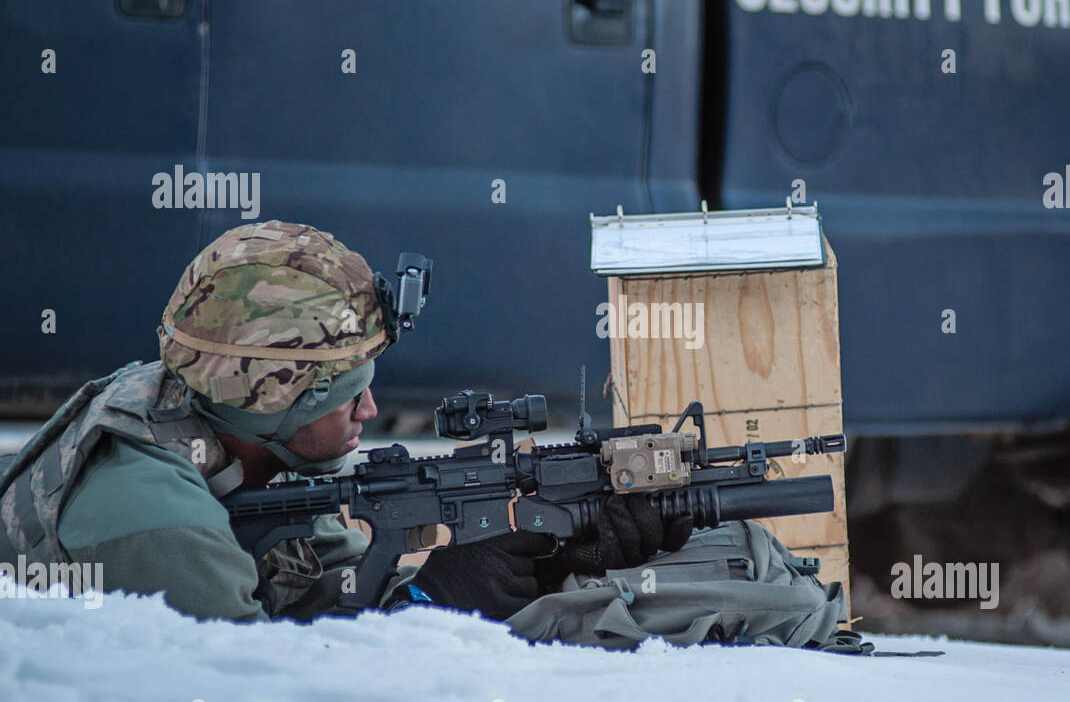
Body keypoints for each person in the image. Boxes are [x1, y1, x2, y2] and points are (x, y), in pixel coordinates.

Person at [0, 221, 685, 622]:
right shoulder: (155, 519)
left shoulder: (247, 447)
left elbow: (327, 589)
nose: (370, 410)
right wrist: (434, 593)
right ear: (275, 397)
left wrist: (544, 558)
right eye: (347, 392)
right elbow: (255, 695)